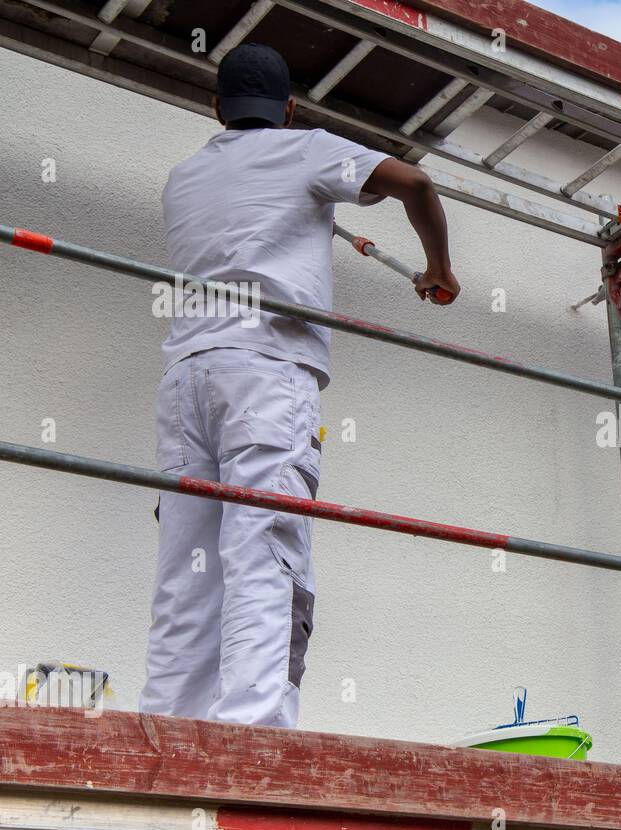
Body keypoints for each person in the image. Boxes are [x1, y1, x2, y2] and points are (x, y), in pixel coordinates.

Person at [141, 43, 458, 727]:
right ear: (288, 110)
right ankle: (254, 740)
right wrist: (438, 267)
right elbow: (416, 183)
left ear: (216, 106)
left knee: (188, 566)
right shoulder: (305, 149)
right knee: (264, 549)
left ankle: (170, 731)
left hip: (188, 375)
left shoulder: (183, 176)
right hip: (266, 375)